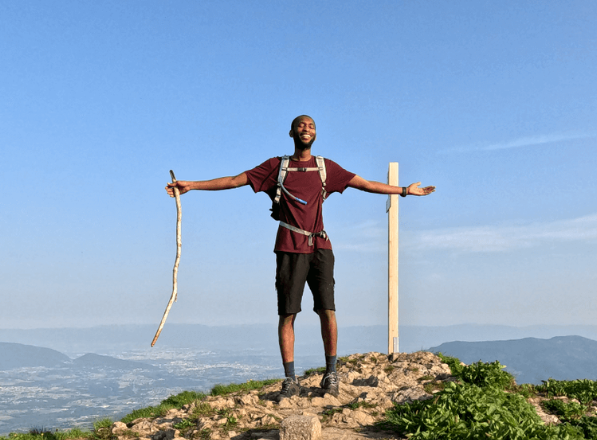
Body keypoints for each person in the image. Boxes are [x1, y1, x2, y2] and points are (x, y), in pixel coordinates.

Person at [166, 115, 436, 400]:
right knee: (287, 314)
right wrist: (192, 185)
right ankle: (290, 379)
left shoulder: (325, 167)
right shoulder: (276, 167)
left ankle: (331, 373)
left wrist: (405, 191)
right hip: (289, 246)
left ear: (316, 134)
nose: (306, 129)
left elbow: (365, 184)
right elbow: (235, 180)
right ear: (291, 132)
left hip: (321, 246)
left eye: (311, 126)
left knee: (327, 310)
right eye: (301, 125)